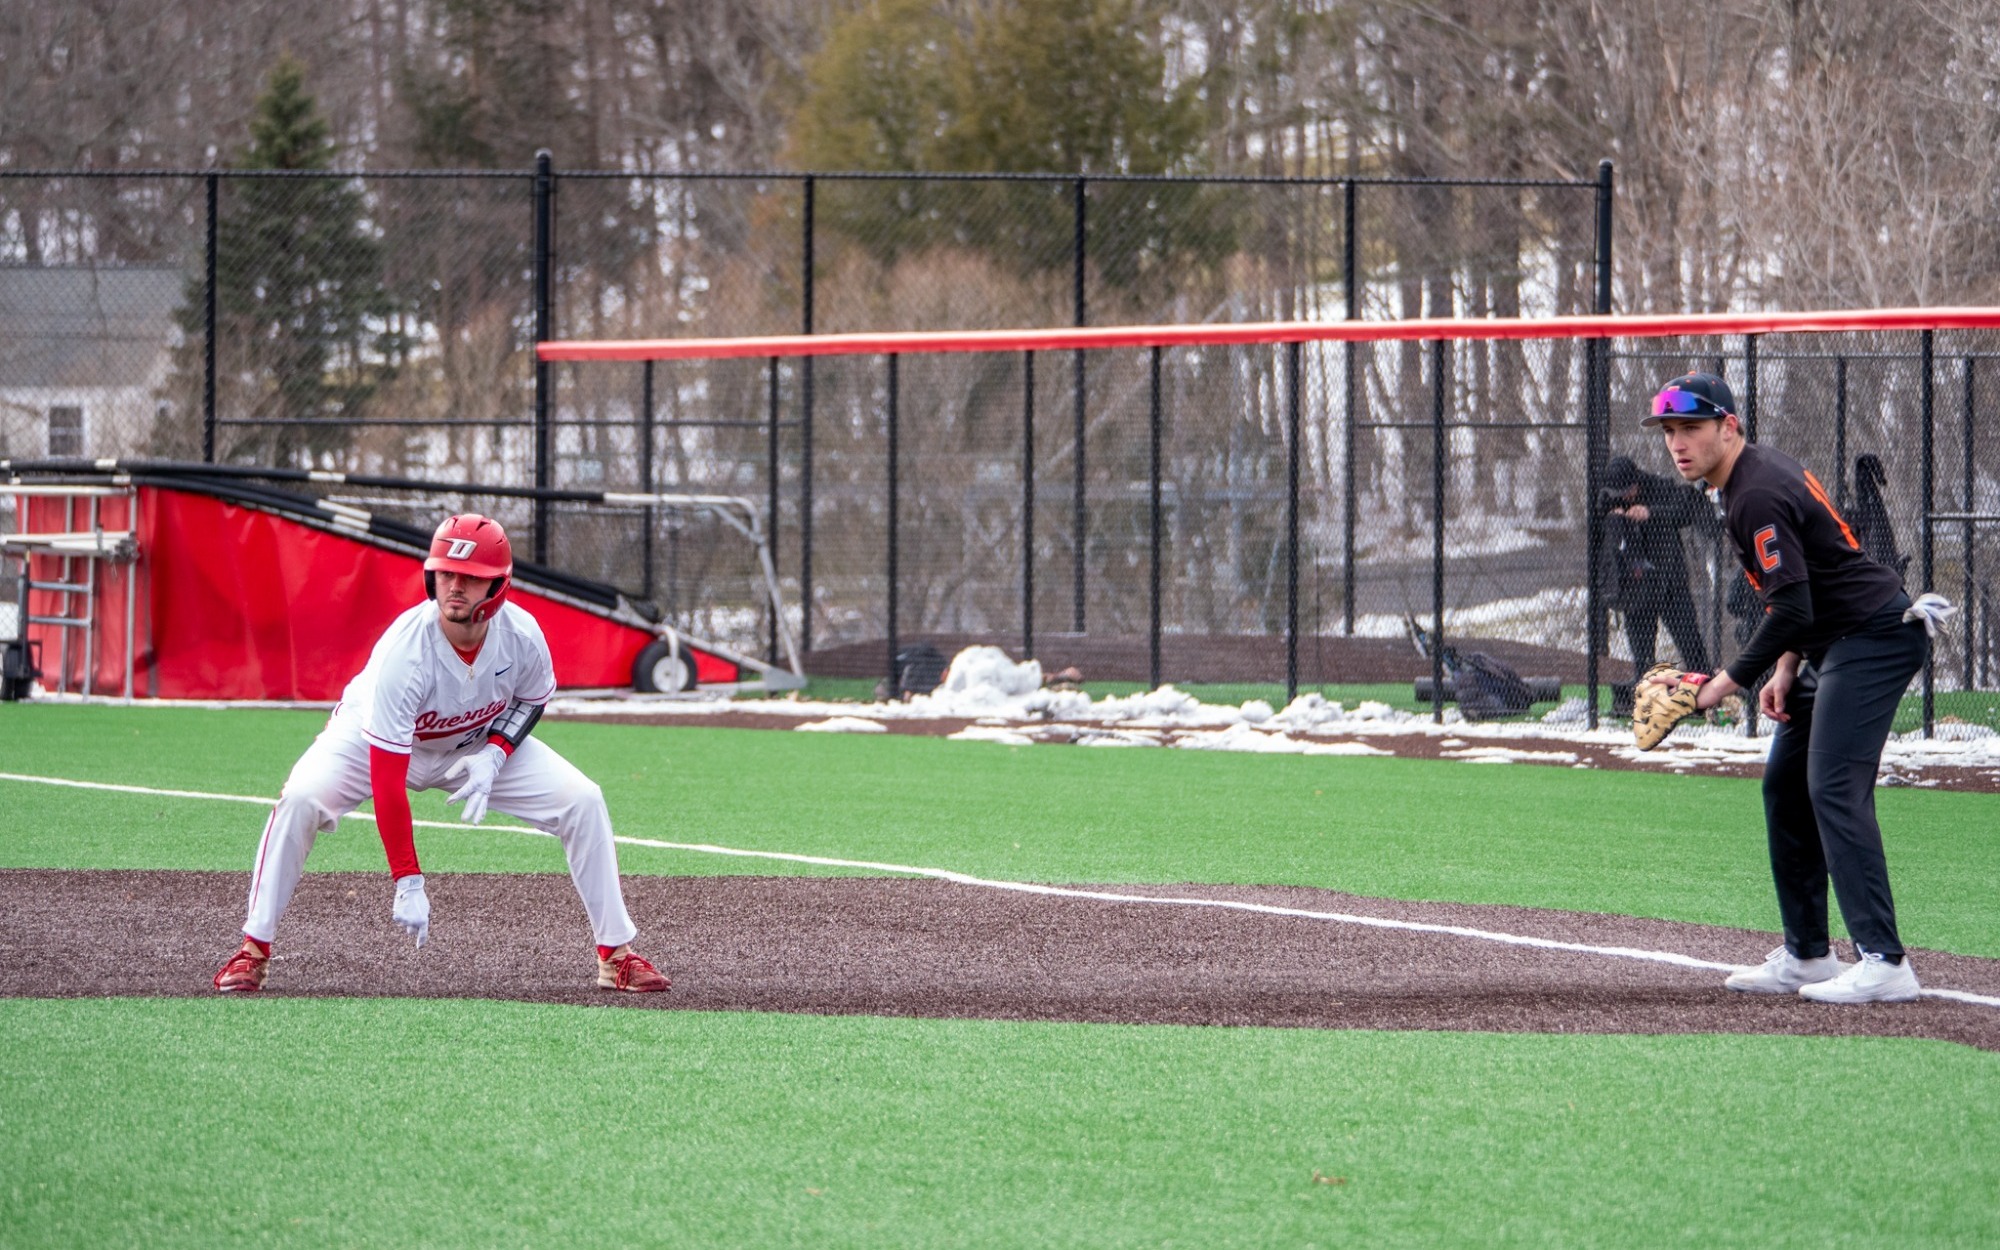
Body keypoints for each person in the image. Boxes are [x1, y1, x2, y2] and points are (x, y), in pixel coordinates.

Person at [212, 514, 670, 994]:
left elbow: (533, 699)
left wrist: (496, 752)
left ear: (497, 587)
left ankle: (616, 954)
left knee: (583, 800)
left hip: (472, 744)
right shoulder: (405, 655)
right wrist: (408, 880)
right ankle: (253, 949)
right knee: (301, 798)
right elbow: (389, 781)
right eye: (446, 573)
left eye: (470, 578)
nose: (455, 586)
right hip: (374, 738)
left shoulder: (523, 636)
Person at [1642, 372, 1935, 1004]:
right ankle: (1807, 955)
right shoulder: (1747, 483)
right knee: (1785, 784)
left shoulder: (1756, 494)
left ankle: (1884, 962)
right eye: (1669, 432)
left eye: (1691, 428)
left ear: (1730, 426)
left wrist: (1721, 684)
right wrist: (1783, 670)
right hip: (1835, 640)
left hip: (1874, 637)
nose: (1678, 444)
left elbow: (1795, 609)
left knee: (1832, 785)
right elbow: (1801, 594)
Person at [1601, 453, 1713, 684]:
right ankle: (1645, 693)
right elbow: (1599, 520)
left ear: (1636, 482)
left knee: (1689, 640)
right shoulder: (1610, 499)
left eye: (1628, 491)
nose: (1626, 497)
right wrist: (1615, 517)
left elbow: (1686, 510)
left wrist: (1650, 513)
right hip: (1635, 584)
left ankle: (1704, 690)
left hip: (1668, 581)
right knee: (1641, 653)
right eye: (1620, 494)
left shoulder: (1659, 488)